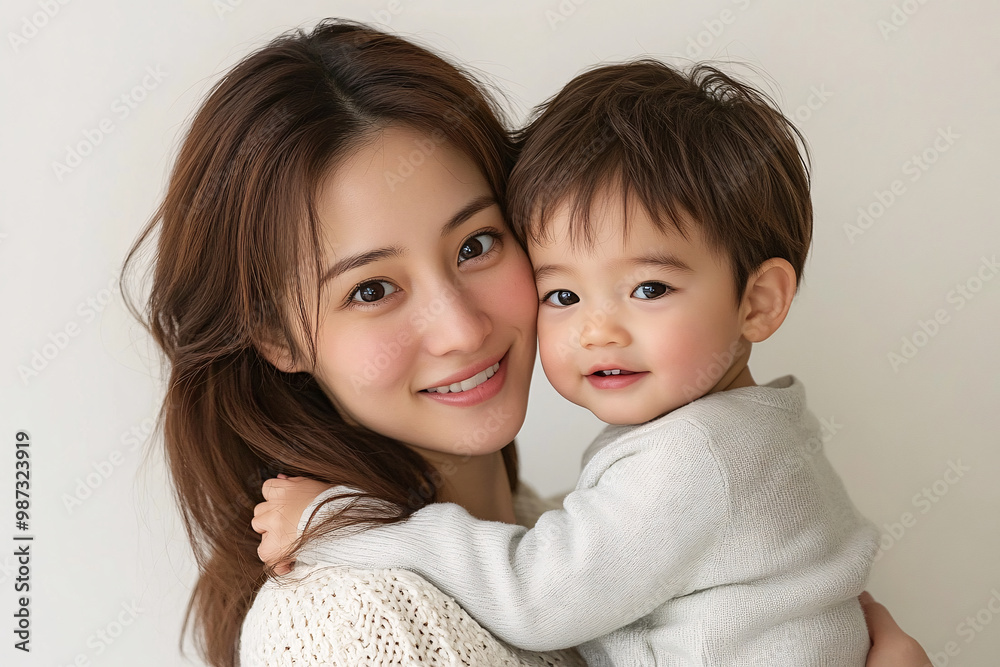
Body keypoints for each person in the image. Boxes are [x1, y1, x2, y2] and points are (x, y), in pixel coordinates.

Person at [119, 16, 928, 667]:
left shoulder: (572, 531)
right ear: (276, 336)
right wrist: (347, 525)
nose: (462, 326)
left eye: (475, 245)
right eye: (371, 289)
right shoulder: (347, 626)